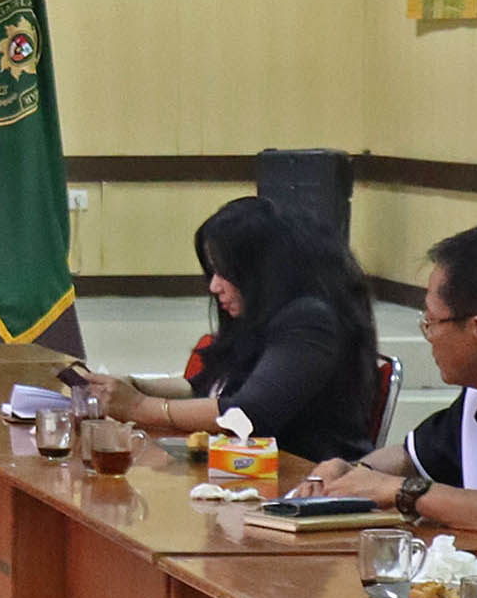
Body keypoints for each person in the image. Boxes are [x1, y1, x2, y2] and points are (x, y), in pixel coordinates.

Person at [78, 196, 378, 464]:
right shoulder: (260, 314)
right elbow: (206, 386)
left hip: (305, 477)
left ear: (260, 271)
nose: (213, 286)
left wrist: (141, 407)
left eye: (224, 272)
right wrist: (133, 385)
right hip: (250, 472)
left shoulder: (311, 320)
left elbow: (246, 414)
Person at [316, 226, 477, 545]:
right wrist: (353, 471)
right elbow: (414, 455)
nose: (428, 335)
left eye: (432, 322)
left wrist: (403, 492)